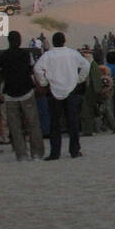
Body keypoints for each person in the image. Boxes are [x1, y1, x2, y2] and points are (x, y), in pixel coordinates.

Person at [33, 32, 90, 160]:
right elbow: (86, 65)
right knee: (73, 122)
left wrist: (44, 82)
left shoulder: (48, 55)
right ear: (64, 41)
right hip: (71, 89)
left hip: (54, 90)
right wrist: (79, 79)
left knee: (55, 123)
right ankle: (74, 151)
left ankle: (55, 153)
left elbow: (37, 69)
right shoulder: (73, 53)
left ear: (53, 42)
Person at [0, 31, 45, 160]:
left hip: (9, 94)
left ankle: (21, 154)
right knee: (33, 124)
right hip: (27, 92)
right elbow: (33, 71)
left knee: (15, 127)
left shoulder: (2, 56)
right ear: (18, 40)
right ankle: (37, 153)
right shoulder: (25, 54)